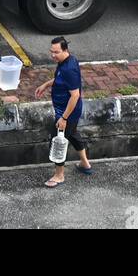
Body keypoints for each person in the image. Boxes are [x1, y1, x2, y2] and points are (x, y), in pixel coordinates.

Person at [34, 36, 92, 186]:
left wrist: (64, 118)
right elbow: (61, 80)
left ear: (65, 50)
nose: (53, 55)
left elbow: (75, 95)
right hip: (66, 110)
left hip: (67, 112)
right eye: (51, 51)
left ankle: (59, 175)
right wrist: (46, 84)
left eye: (56, 52)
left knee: (58, 141)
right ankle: (85, 164)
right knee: (72, 135)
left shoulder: (69, 69)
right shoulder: (66, 61)